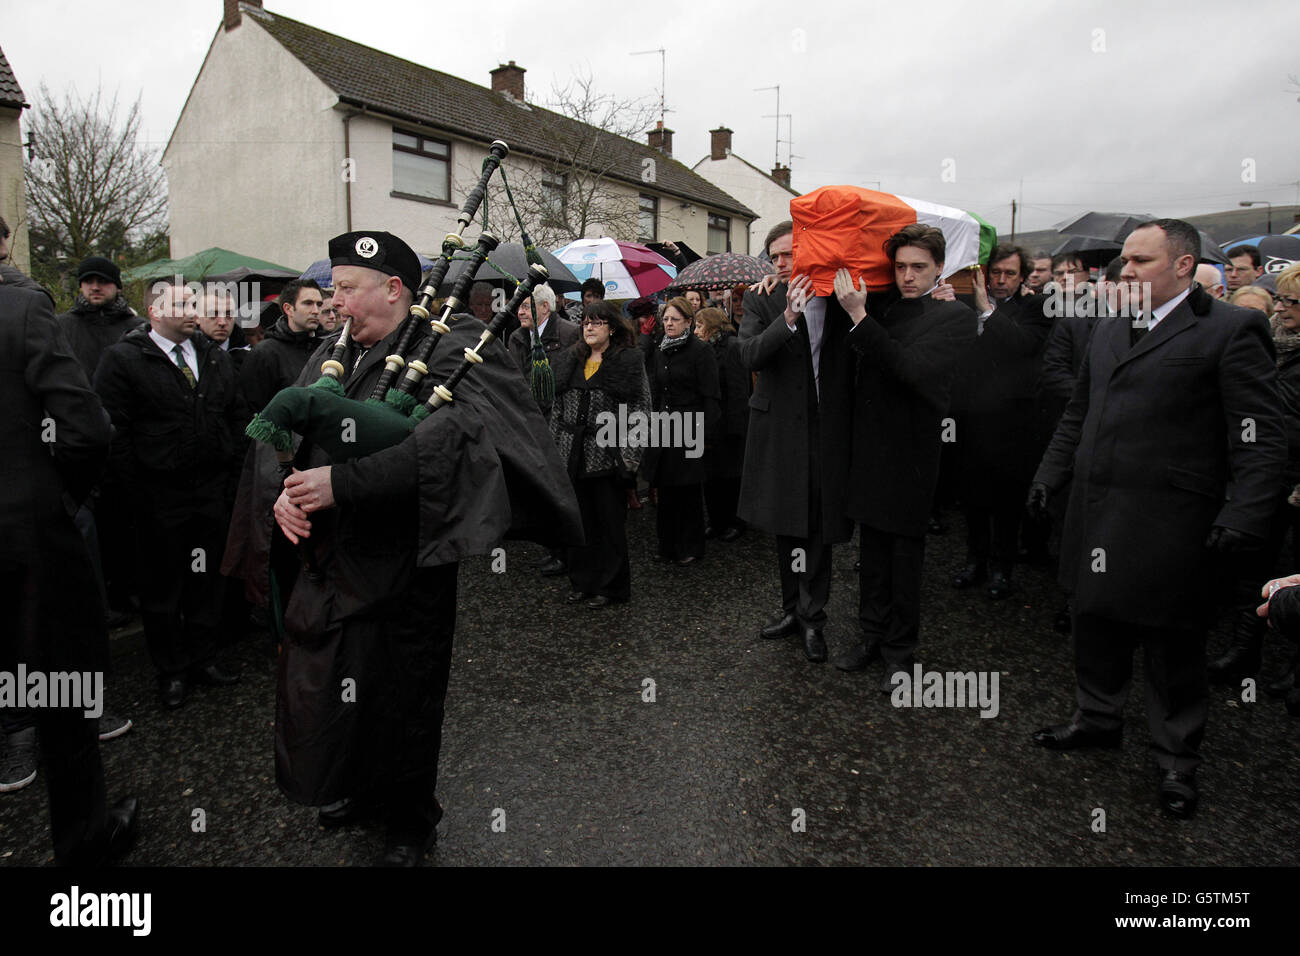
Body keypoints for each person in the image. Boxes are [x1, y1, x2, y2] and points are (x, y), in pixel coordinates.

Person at [223, 230, 580, 866]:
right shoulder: (332, 352)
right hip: (333, 561)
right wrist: (283, 492)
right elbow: (287, 436)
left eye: (348, 290)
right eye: (332, 290)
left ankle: (411, 819)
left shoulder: (448, 350)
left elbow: (454, 446)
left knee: (405, 693)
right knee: (338, 683)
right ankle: (354, 783)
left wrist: (343, 482)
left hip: (408, 558)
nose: (336, 304)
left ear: (394, 290)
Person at [1027, 219, 1286, 818]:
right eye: (1124, 260)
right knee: (1094, 621)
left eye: (1141, 261)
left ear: (1183, 266)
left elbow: (1259, 436)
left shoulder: (1230, 329)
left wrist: (1245, 513)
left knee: (1173, 643)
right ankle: (1097, 718)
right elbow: (1079, 413)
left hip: (1174, 521)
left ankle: (1177, 759)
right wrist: (1048, 477)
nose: (1126, 271)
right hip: (1096, 513)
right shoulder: (1110, 328)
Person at [0, 278, 139, 863]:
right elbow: (85, 427)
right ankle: (85, 844)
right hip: (27, 539)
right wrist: (62, 502)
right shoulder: (20, 306)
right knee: (62, 690)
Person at [832, 226, 977, 686]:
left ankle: (900, 647)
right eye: (900, 268)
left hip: (912, 454)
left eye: (919, 267)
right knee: (872, 555)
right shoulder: (885, 306)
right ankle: (870, 634)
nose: (908, 276)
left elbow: (911, 370)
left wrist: (860, 316)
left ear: (939, 269)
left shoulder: (954, 317)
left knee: (904, 558)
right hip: (871, 450)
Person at [93, 280, 245, 710]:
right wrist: (135, 492)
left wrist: (230, 478)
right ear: (155, 312)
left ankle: (202, 657)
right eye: (181, 302)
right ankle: (171, 670)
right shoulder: (124, 359)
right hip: (157, 500)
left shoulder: (213, 356)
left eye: (193, 301)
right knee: (162, 589)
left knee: (204, 580)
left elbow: (235, 416)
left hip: (209, 495)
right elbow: (112, 431)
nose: (192, 309)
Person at [737, 220, 854, 663]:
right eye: (775, 256)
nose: (782, 263)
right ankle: (791, 610)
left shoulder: (840, 298)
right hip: (780, 430)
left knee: (818, 529)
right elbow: (748, 355)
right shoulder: (760, 297)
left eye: (790, 254)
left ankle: (813, 618)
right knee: (787, 525)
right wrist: (787, 316)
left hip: (826, 430)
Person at [1208, 263, 1300, 694]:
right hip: (1267, 474)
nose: (1284, 309)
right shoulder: (1267, 340)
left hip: (1296, 476)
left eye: (1293, 302)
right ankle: (1244, 651)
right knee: (1255, 570)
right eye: (1282, 300)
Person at [949, 244, 1053, 600]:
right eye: (995, 273)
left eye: (1009, 274)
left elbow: (1022, 345)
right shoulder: (966, 305)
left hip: (1013, 425)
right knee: (973, 499)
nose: (1001, 280)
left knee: (1007, 504)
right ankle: (974, 562)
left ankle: (1002, 570)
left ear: (1023, 276)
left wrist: (987, 311)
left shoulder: (1035, 308)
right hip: (970, 419)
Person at [549, 301, 651, 606]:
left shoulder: (628, 360)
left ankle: (611, 587)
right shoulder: (570, 358)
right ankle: (583, 582)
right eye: (586, 323)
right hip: (571, 455)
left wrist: (629, 457)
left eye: (597, 323)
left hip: (607, 456)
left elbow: (640, 410)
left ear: (612, 327)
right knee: (579, 524)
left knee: (608, 525)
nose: (589, 328)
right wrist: (553, 451)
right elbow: (557, 409)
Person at [641, 297, 720, 565]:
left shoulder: (700, 350)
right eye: (665, 319)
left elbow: (711, 394)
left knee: (687, 491)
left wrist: (707, 436)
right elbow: (655, 388)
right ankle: (667, 546)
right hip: (664, 426)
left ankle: (690, 546)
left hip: (691, 425)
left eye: (675, 319)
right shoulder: (660, 349)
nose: (669, 324)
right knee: (666, 490)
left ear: (688, 321)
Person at [695, 306, 748, 542]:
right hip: (710, 424)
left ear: (713, 326)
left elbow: (739, 389)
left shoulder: (732, 346)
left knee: (731, 477)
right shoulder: (703, 349)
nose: (695, 330)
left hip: (728, 424)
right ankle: (715, 521)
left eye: (699, 325)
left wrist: (736, 427)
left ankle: (734, 521)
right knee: (711, 477)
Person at [239, 278, 323, 413]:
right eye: (308, 303)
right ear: (288, 309)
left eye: (319, 304)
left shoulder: (326, 348)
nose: (315, 310)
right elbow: (250, 409)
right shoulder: (265, 353)